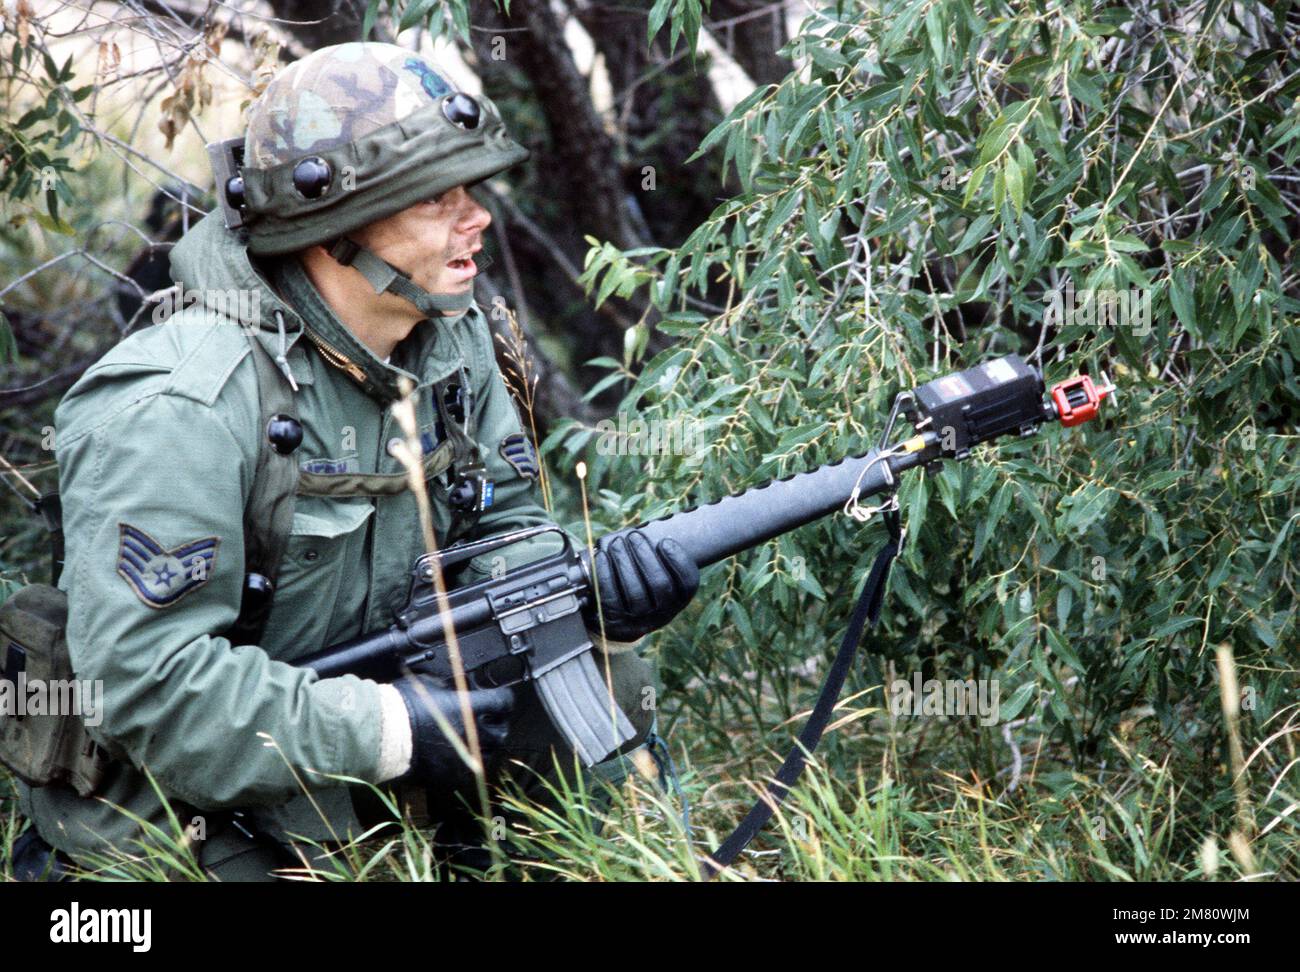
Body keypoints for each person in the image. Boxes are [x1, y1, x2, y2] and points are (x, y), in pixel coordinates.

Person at [11, 41, 698, 881]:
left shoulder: (451, 333)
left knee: (604, 676)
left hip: (374, 760)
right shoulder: (180, 404)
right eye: (435, 199)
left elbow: (506, 526)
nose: (476, 218)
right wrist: (397, 731)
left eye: (470, 190)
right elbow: (152, 689)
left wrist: (587, 594)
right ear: (333, 230)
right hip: (184, 814)